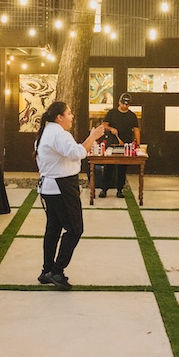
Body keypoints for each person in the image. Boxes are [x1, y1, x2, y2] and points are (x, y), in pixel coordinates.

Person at [34, 101, 105, 290]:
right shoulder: (57, 133)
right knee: (75, 229)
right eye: (69, 113)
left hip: (51, 187)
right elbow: (77, 153)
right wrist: (92, 136)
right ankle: (57, 271)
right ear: (59, 117)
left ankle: (47, 270)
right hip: (61, 187)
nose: (72, 117)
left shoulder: (47, 132)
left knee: (54, 229)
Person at [98, 93, 140, 197]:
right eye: (123, 104)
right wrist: (111, 129)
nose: (125, 106)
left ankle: (120, 190)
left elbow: (136, 130)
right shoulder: (112, 113)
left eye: (127, 104)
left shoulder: (132, 116)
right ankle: (104, 189)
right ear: (119, 102)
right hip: (112, 143)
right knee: (108, 167)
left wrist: (138, 144)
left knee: (122, 168)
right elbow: (104, 124)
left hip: (126, 144)